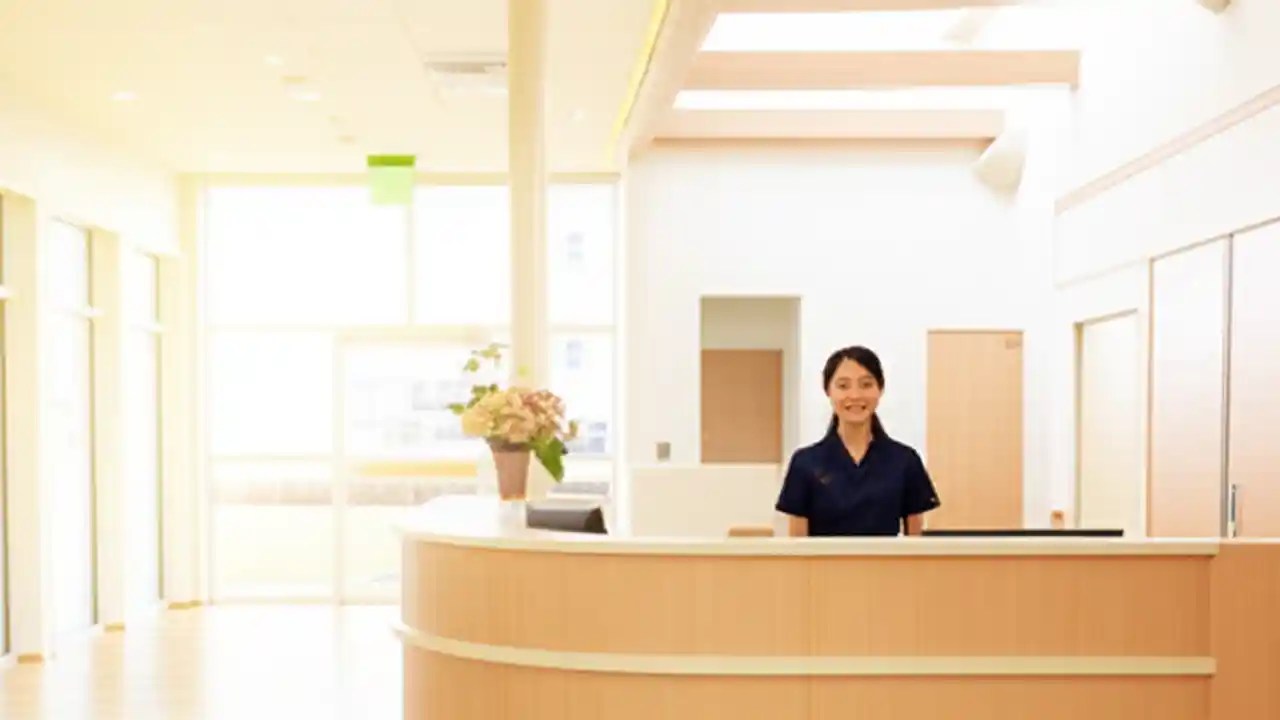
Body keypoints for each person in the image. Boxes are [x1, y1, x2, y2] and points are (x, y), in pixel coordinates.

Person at [775, 346, 941, 536]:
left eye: (866, 384)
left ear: (880, 389)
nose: (855, 395)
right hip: (825, 566)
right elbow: (798, 549)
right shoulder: (805, 463)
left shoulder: (905, 460)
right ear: (828, 390)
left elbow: (915, 544)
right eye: (843, 386)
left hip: (886, 565)